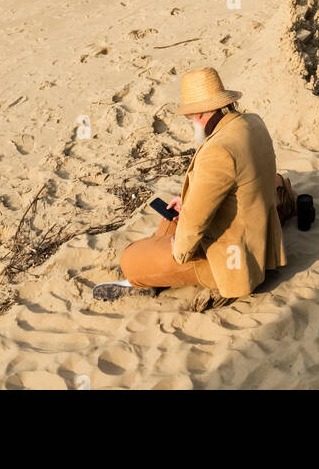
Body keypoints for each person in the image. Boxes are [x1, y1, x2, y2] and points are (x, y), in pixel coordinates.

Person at [94, 67, 292, 303]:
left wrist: (178, 248)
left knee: (130, 259)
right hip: (259, 238)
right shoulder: (252, 122)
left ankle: (147, 279)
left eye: (190, 118)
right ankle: (156, 258)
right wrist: (186, 205)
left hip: (232, 260)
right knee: (171, 218)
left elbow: (194, 226)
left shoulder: (218, 150)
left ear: (199, 115)